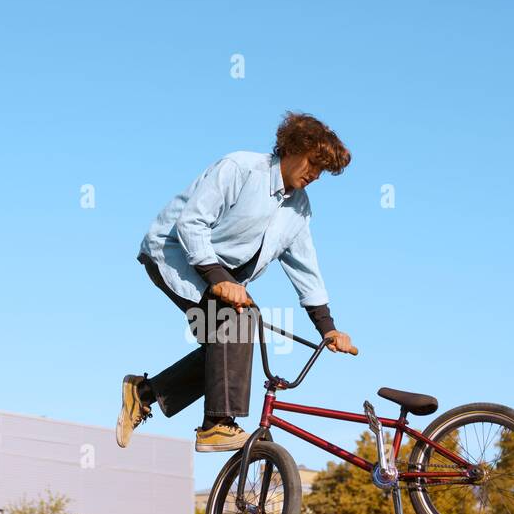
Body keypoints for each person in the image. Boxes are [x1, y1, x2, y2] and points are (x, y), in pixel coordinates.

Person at [117, 111, 357, 453]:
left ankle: (142, 393)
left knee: (226, 353)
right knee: (239, 324)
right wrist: (217, 279)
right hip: (173, 255)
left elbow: (306, 268)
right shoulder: (240, 169)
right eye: (312, 163)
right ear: (291, 148)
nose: (315, 174)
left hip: (220, 275)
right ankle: (216, 426)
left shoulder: (299, 208)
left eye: (322, 170)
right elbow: (191, 223)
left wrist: (327, 328)